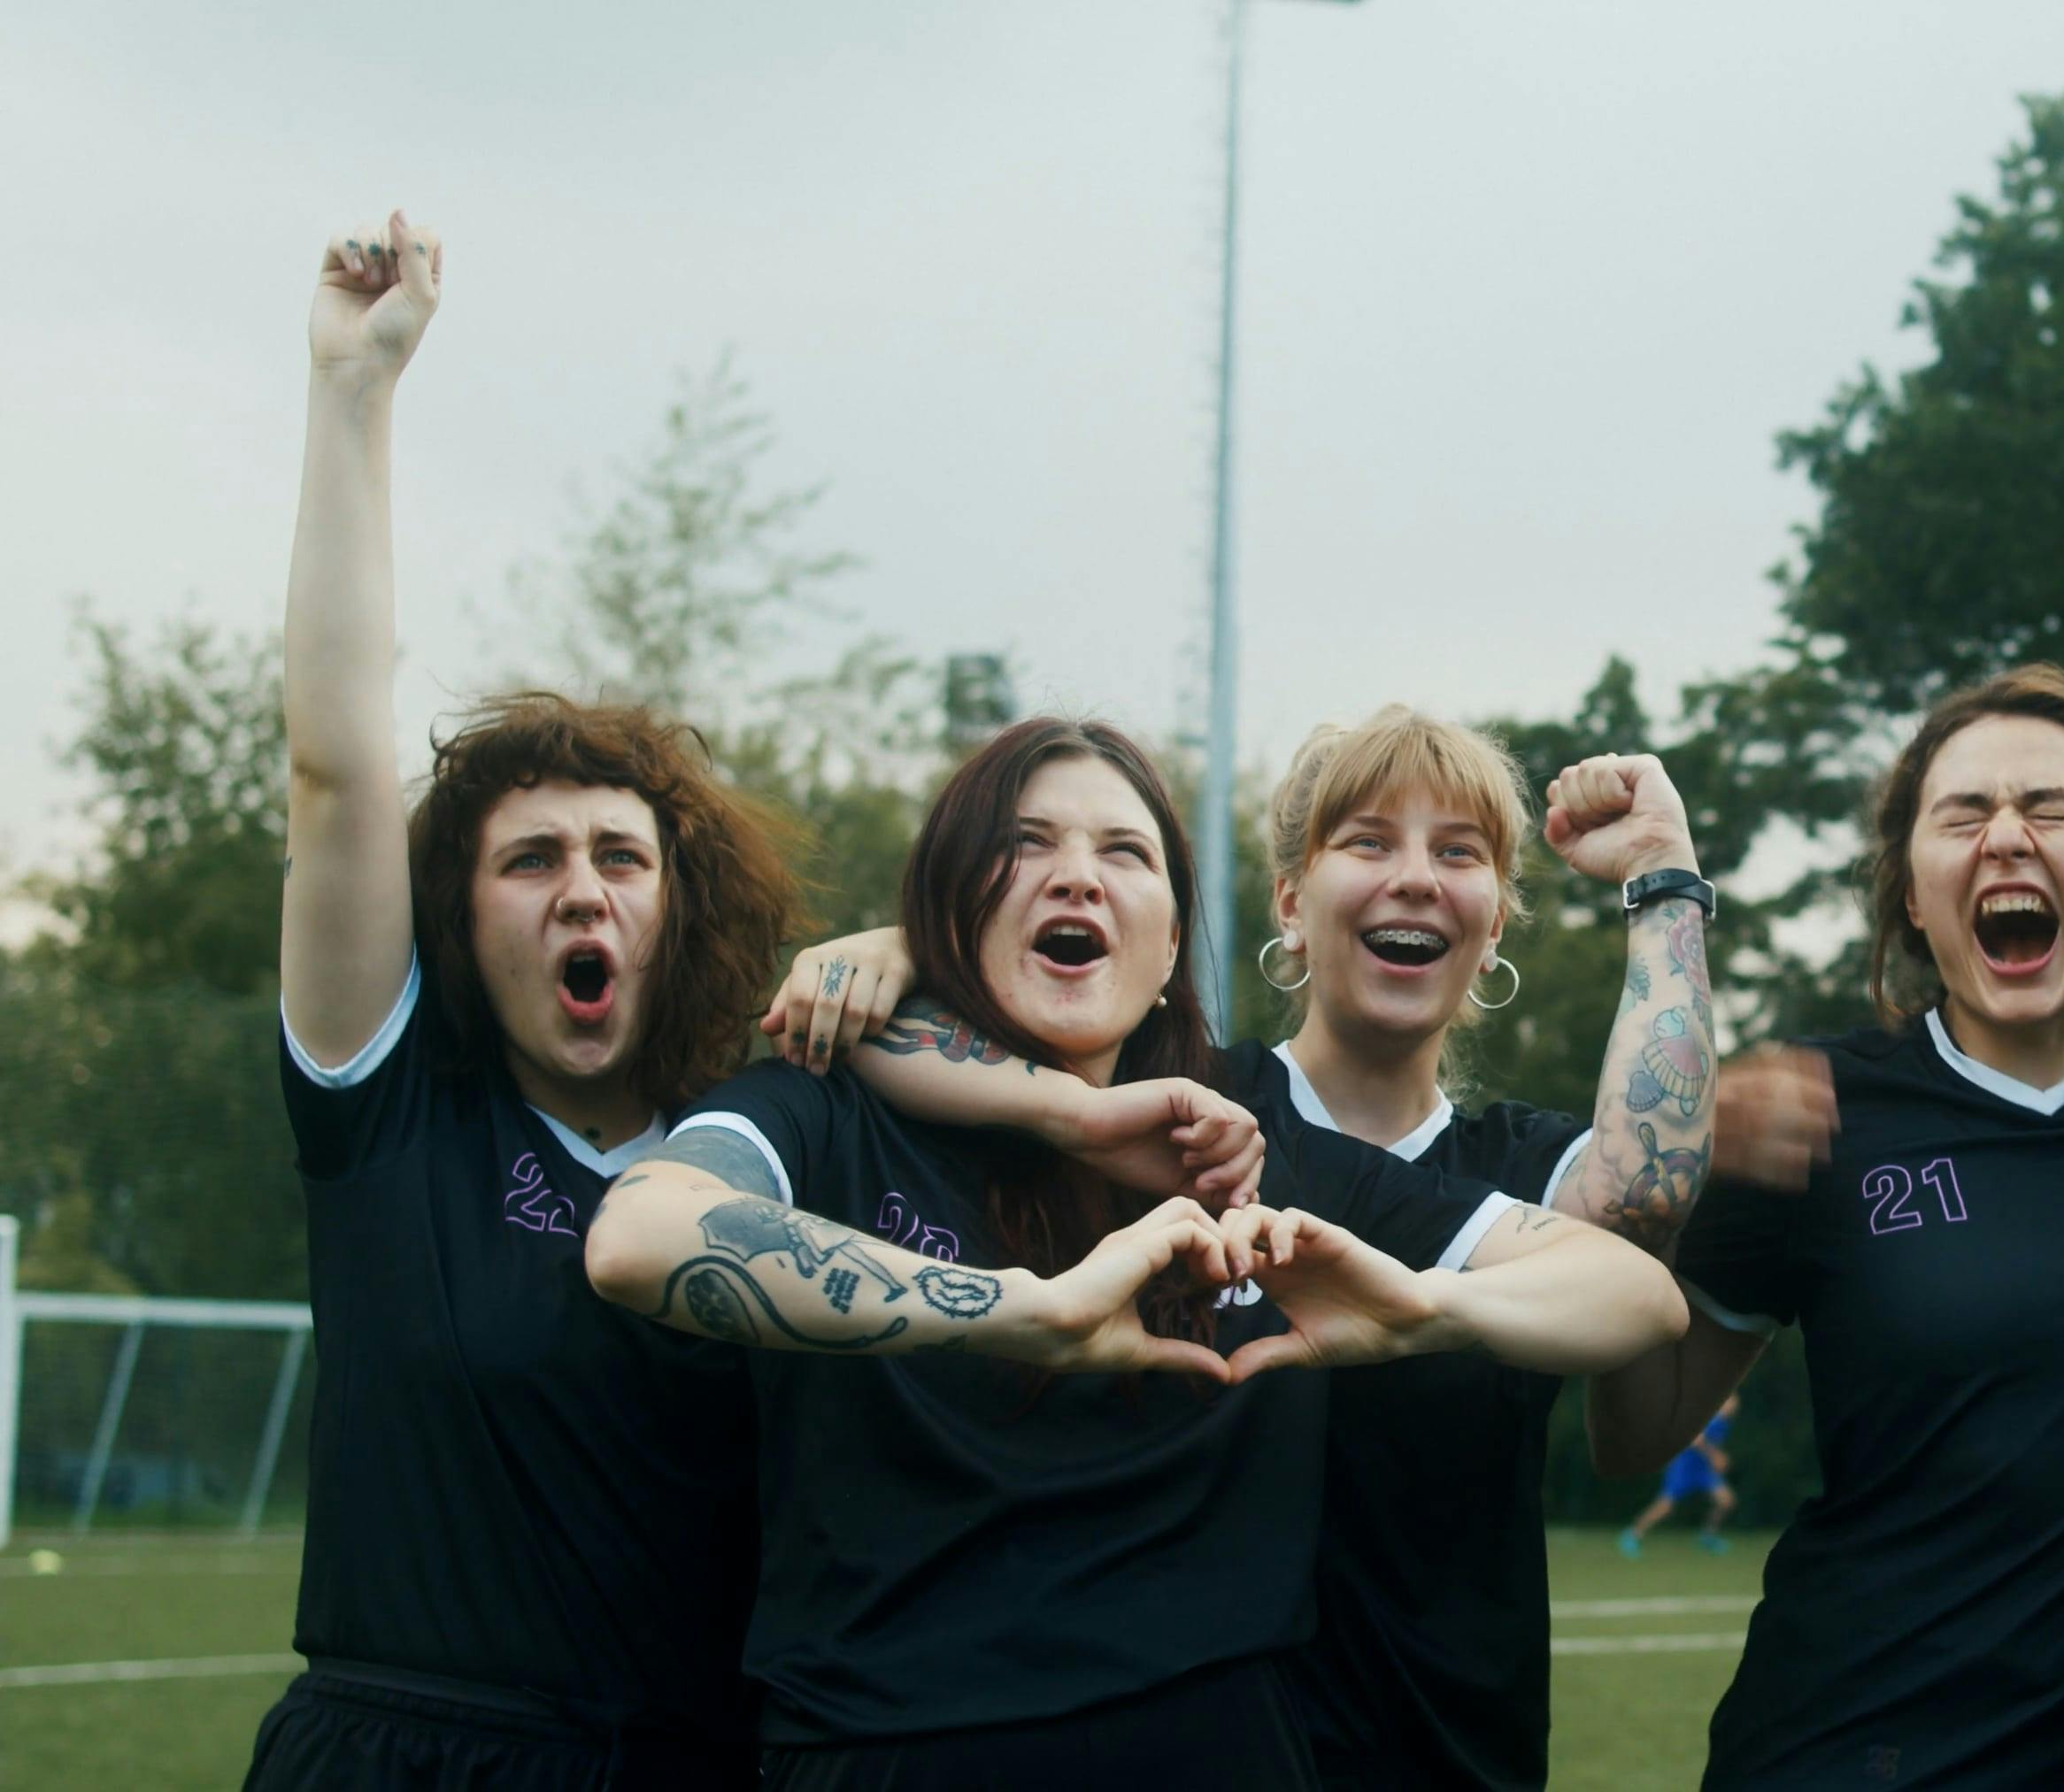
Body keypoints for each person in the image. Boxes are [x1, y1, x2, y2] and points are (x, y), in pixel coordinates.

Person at [581, 715, 1686, 1788]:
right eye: (1022, 845)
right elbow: (639, 1234)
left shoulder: (1248, 1154)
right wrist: (1021, 1304)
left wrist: (1416, 1306)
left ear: (1170, 945)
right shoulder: (830, 1106)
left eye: (1125, 852)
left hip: (1219, 1746)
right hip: (881, 1742)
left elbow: (1635, 1290)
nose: (1076, 877)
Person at [250, 212, 805, 1789]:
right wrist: (354, 392)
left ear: (678, 911)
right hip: (408, 1756)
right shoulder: (393, 1118)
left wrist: (884, 961)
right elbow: (337, 763)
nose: (582, 890)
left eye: (623, 858)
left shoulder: (754, 1157)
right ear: (455, 911)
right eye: (530, 861)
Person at [1589, 665, 2064, 1791]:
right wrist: (1661, 1202)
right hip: (1855, 1751)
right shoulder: (1814, 1110)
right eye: (1963, 814)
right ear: (1911, 894)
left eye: (2047, 807)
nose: (2004, 837)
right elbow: (1631, 1440)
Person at [1617, 1393, 1740, 1557]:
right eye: (1730, 1401)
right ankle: (1631, 1535)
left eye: (1734, 1402)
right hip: (1684, 1468)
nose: (1733, 1405)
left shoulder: (1724, 1424)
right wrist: (1715, 1456)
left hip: (1703, 1470)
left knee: (1726, 1501)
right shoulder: (1712, 1419)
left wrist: (1715, 1459)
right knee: (1665, 1507)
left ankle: (1707, 1537)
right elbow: (1695, 1439)